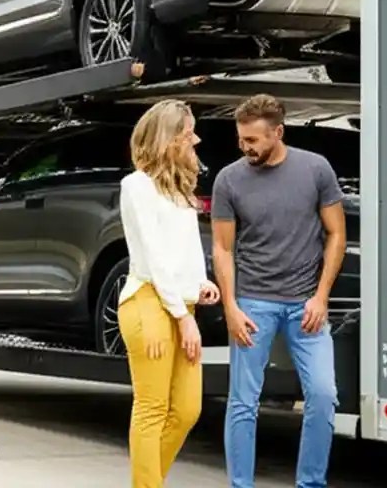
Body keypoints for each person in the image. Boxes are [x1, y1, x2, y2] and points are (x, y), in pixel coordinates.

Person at [210, 94, 347, 488]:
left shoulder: (315, 169)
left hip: (306, 303)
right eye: (241, 139)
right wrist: (232, 308)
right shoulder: (229, 179)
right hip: (253, 303)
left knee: (322, 396)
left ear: (278, 132)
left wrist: (321, 296)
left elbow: (336, 234)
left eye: (252, 140)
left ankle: (310, 483)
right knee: (243, 403)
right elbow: (222, 248)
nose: (244, 147)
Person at [118, 99, 222, 487]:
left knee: (187, 409)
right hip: (149, 302)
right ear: (168, 138)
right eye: (187, 133)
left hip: (179, 302)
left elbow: (183, 248)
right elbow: (154, 255)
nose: (195, 139)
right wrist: (182, 316)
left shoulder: (179, 186)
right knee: (152, 408)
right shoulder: (137, 185)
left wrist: (199, 282)